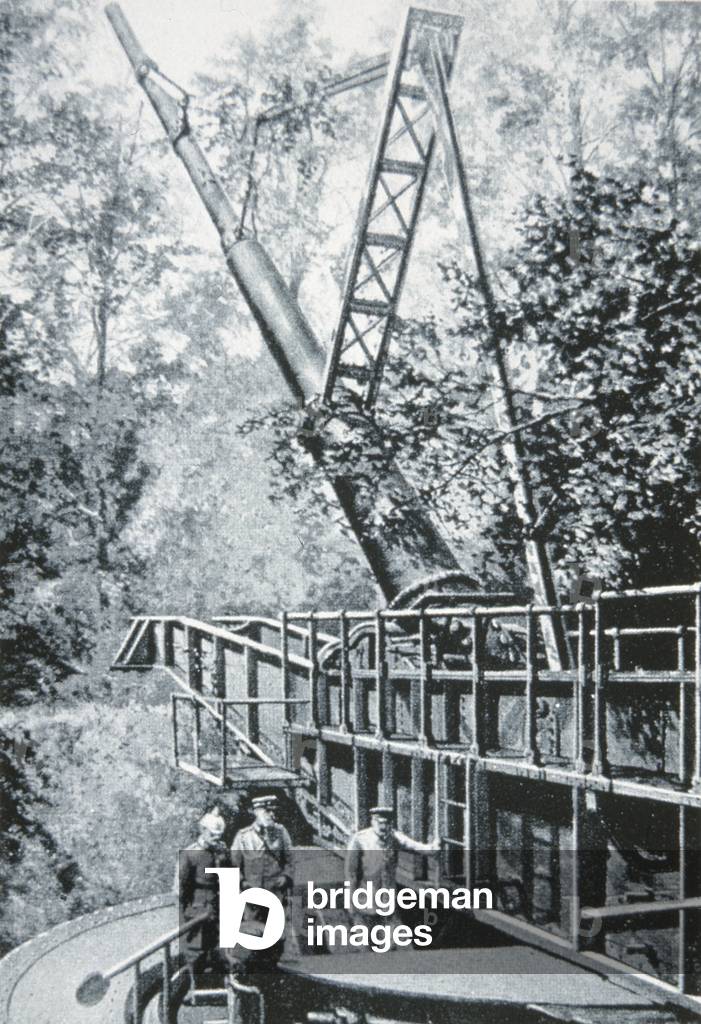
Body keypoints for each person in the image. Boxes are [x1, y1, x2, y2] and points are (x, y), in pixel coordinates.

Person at [345, 805, 440, 905]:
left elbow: (412, 845)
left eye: (387, 823)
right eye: (380, 823)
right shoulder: (360, 839)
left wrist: (432, 848)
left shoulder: (393, 837)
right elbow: (351, 872)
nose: (383, 827)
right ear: (372, 822)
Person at [175, 808, 229, 980]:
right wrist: (184, 913)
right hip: (197, 908)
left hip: (218, 908)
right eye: (213, 835)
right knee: (195, 950)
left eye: (219, 835)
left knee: (220, 948)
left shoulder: (221, 851)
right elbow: (181, 888)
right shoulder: (190, 854)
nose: (217, 839)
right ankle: (193, 984)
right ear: (203, 831)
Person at [230, 794, 294, 903]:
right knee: (252, 920)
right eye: (267, 811)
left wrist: (285, 876)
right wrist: (242, 881)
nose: (271, 815)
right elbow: (233, 864)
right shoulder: (243, 836)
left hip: (276, 892)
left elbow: (291, 859)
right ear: (255, 812)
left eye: (273, 811)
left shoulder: (281, 832)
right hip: (251, 893)